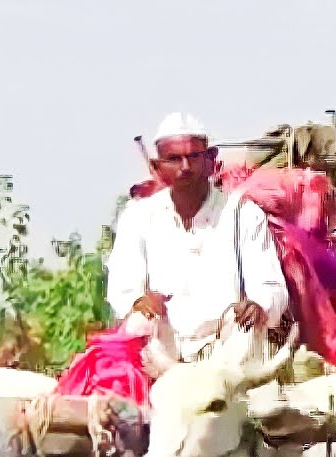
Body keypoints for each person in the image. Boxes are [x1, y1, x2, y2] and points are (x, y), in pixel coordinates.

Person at [106, 112, 289, 361]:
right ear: (157, 167)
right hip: (161, 363)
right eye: (174, 159)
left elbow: (272, 288)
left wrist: (258, 307)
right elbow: (122, 291)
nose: (185, 167)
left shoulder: (242, 214)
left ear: (211, 160)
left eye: (193, 156)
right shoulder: (138, 217)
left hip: (229, 361)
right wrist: (139, 303)